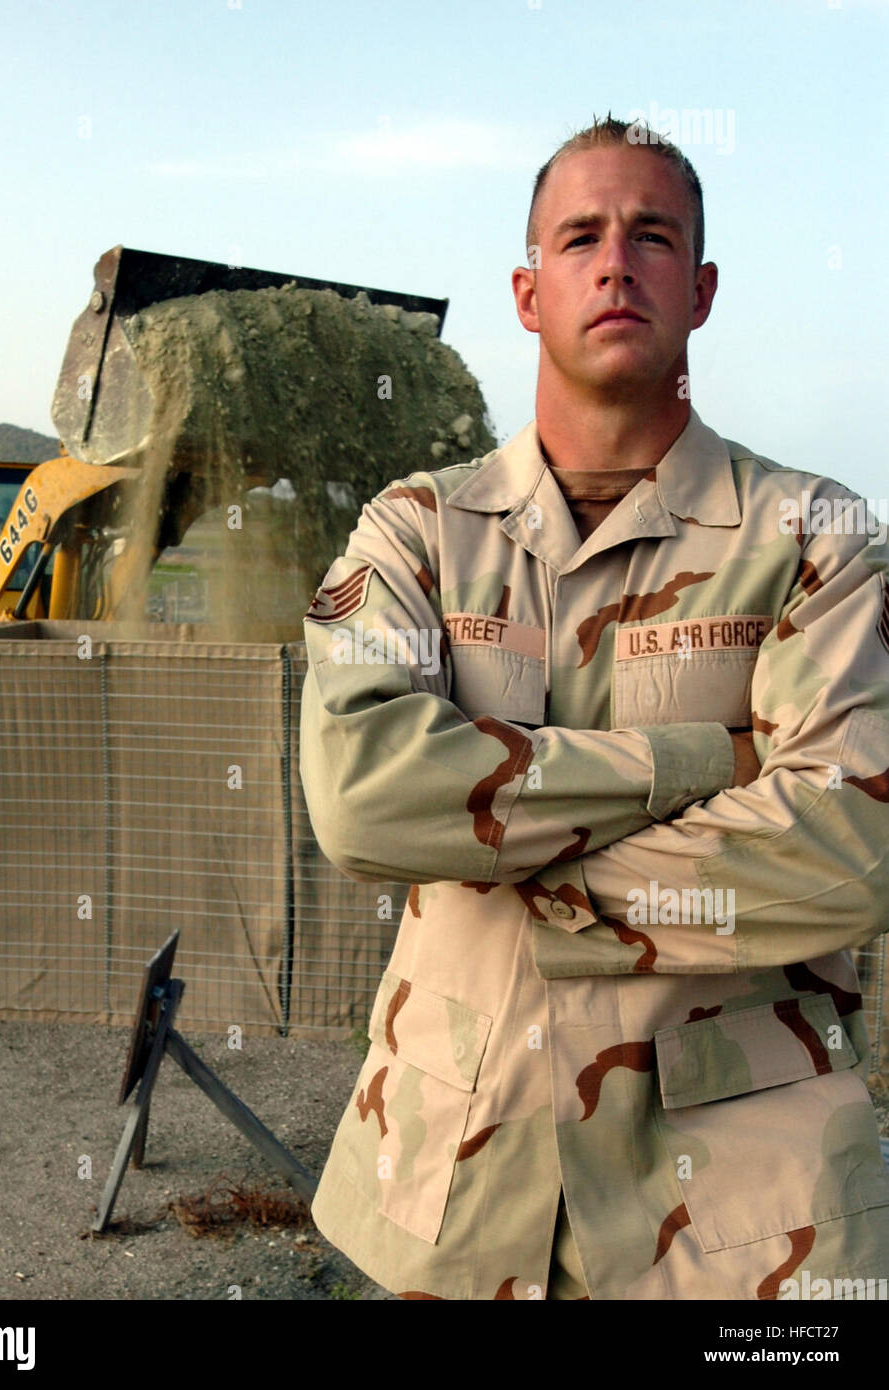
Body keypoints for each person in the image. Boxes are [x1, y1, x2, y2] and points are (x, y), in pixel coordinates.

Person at [298, 114, 889, 1300]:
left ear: (703, 288)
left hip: (740, 1225)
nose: (616, 260)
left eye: (652, 234)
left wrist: (517, 871)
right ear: (527, 293)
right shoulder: (415, 528)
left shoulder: (817, 536)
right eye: (580, 236)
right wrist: (699, 763)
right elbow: (364, 796)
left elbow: (852, 842)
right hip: (454, 1193)